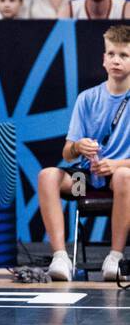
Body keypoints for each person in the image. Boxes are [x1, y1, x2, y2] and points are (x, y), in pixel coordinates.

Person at [39, 24, 130, 282]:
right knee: (47, 176)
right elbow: (67, 153)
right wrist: (79, 147)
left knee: (124, 176)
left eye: (124, 55)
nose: (116, 60)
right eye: (111, 54)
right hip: (86, 180)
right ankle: (60, 257)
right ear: (103, 59)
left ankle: (114, 257)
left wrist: (117, 164)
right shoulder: (87, 98)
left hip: (119, 180)